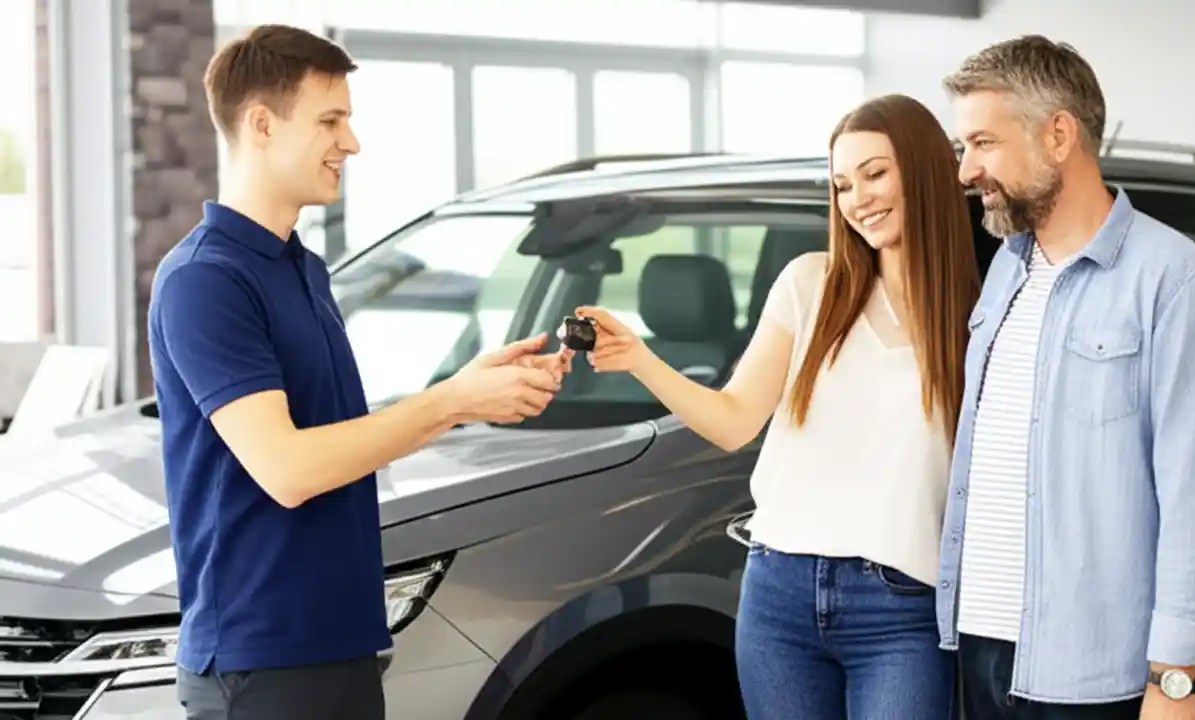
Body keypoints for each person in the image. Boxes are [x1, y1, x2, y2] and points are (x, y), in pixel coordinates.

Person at [147, 25, 566, 720]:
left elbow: (339, 435)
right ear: (260, 125)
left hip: (340, 644)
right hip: (260, 664)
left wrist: (466, 389)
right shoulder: (205, 280)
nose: (351, 142)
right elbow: (287, 468)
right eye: (329, 120)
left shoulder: (300, 268)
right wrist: (450, 401)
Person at [575, 94, 979, 719]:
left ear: (923, 170)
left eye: (875, 173)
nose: (858, 199)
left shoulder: (979, 315)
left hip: (904, 609)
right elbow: (735, 420)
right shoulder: (811, 284)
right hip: (779, 596)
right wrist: (639, 358)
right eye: (843, 184)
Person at [937, 35, 1195, 720]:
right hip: (984, 647)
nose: (966, 170)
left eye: (982, 143)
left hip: (1095, 671)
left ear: (1057, 134)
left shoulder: (1174, 280)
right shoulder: (1008, 272)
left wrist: (1175, 681)